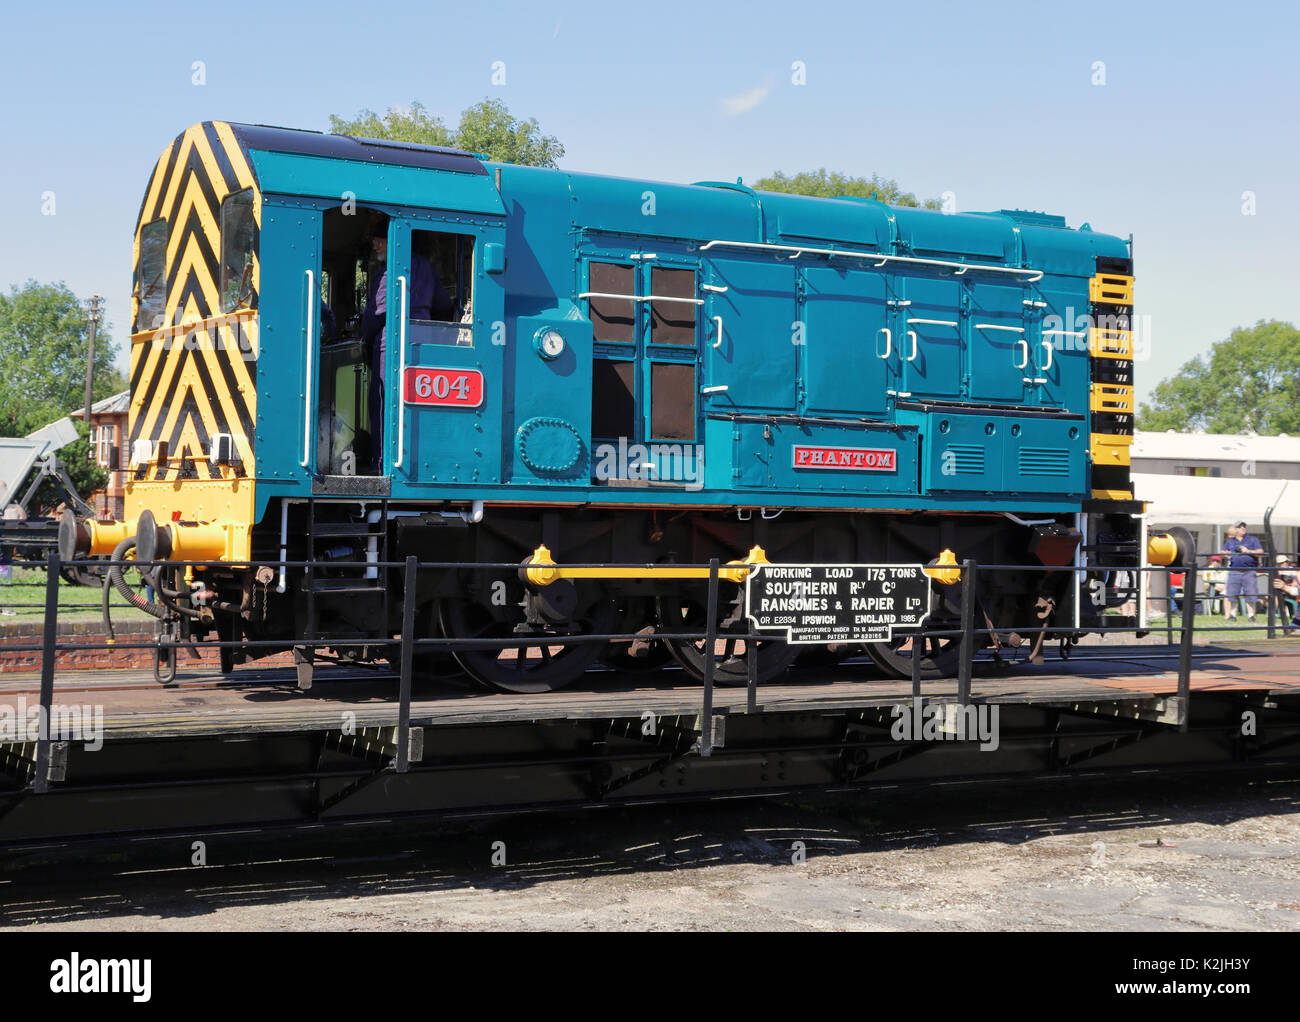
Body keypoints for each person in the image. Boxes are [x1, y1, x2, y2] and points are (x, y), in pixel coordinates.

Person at [360, 214, 451, 471]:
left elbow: (376, 315)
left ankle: (381, 463)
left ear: (393, 240)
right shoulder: (426, 268)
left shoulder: (389, 273)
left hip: (391, 345)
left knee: (382, 404)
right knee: (416, 405)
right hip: (422, 342)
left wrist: (364, 339)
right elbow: (444, 304)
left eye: (379, 241)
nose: (375, 246)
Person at [1221, 521, 1265, 623]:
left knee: (1251, 593)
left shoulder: (1253, 539)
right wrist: (1225, 553)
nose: (1243, 528)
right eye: (1240, 527)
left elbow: (1261, 552)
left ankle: (1251, 616)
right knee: (1232, 593)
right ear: (1235, 529)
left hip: (1249, 571)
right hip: (1234, 570)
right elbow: (1222, 552)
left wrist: (1248, 551)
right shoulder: (1230, 541)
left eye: (1244, 526)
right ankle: (1232, 615)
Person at [1274, 555, 1300, 634]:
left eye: (1286, 562)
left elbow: (1295, 586)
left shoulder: (1295, 573)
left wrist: (1285, 587)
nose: (1285, 563)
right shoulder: (1277, 572)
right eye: (1282, 562)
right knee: (1288, 630)